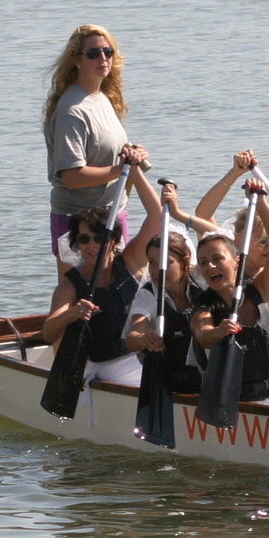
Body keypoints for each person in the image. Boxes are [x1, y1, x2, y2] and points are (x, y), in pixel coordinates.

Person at [188, 181, 269, 409]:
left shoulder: (261, 289)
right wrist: (218, 332)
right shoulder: (205, 305)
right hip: (232, 397)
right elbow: (202, 333)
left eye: (217, 260)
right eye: (204, 263)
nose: (211, 267)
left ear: (236, 261)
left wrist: (261, 200)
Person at [42, 166, 163, 387]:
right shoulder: (70, 286)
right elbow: (49, 333)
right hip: (107, 364)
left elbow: (157, 216)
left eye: (99, 238)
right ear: (77, 244)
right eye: (84, 239)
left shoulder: (130, 261)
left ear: (114, 241)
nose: (92, 246)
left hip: (143, 353)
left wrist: (134, 169)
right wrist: (72, 313)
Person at [43, 24, 149, 257]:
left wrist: (131, 154)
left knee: (116, 291)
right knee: (78, 292)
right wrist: (122, 170)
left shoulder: (103, 98)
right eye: (93, 54)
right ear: (77, 60)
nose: (103, 58)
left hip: (112, 214)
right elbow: (72, 176)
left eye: (107, 52)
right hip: (78, 222)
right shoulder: (71, 110)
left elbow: (106, 151)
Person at [123, 193, 203, 398]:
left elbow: (220, 237)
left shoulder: (202, 280)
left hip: (205, 378)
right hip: (168, 381)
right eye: (151, 262)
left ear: (185, 261)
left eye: (165, 263)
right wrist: (143, 338)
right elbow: (131, 338)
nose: (157, 270)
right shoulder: (148, 294)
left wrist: (178, 213)